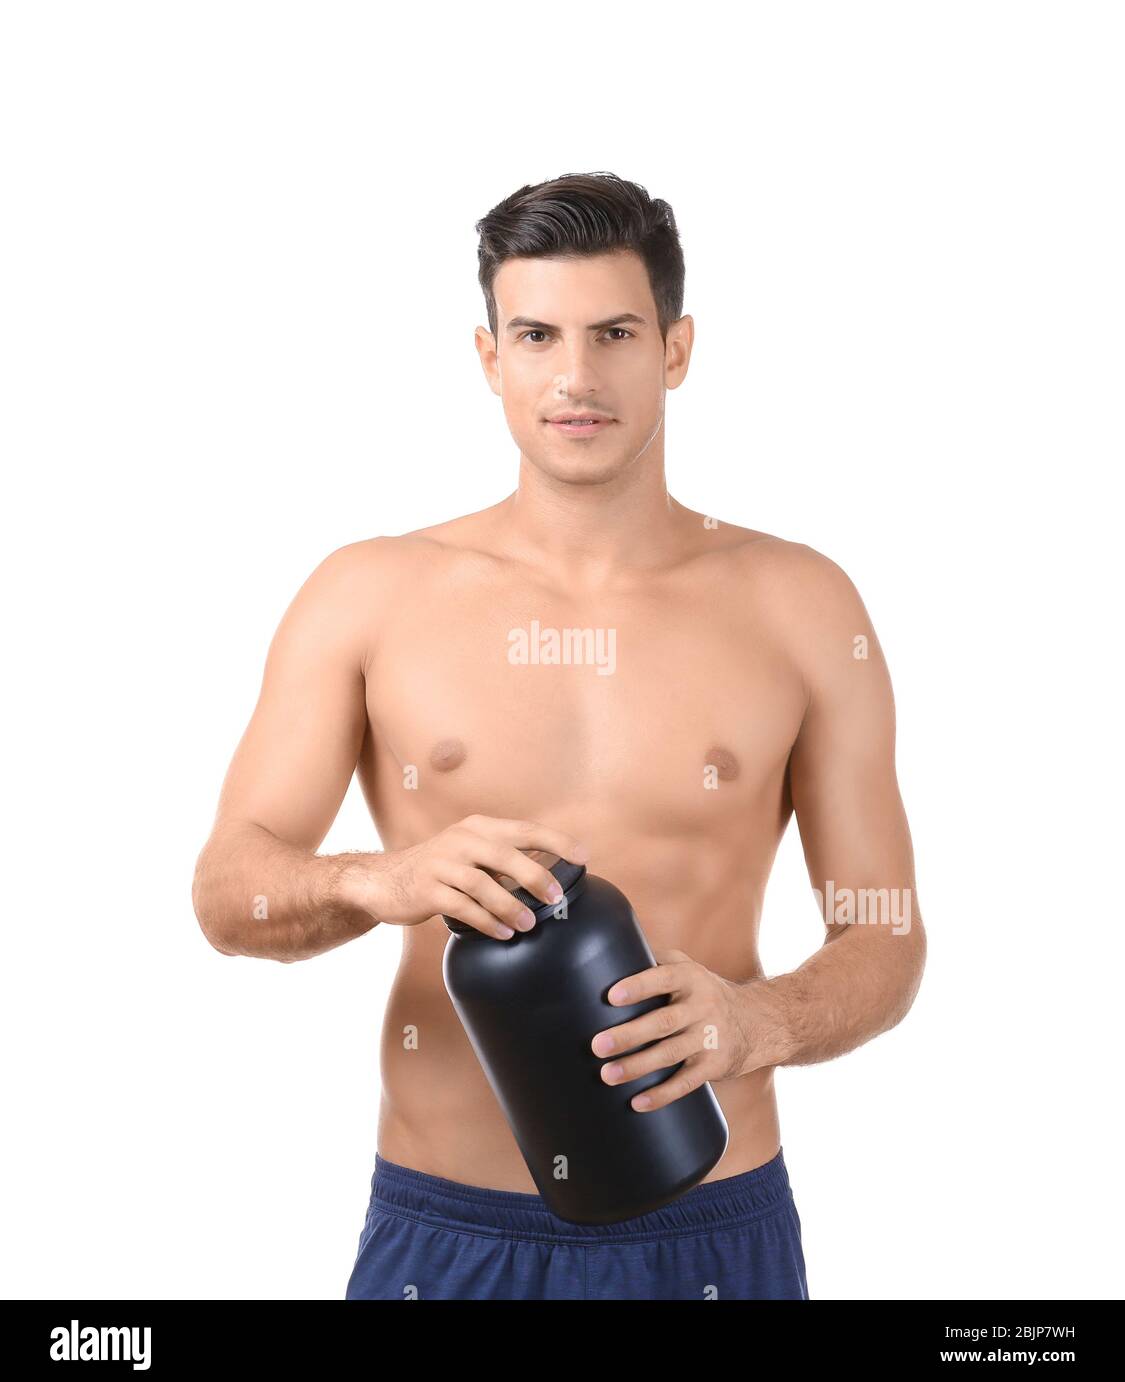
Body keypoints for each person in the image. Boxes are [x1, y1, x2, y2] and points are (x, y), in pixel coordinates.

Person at [191, 171, 927, 1300]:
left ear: (676, 349)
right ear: (490, 357)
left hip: (711, 1224)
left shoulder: (803, 604)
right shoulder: (369, 593)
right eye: (536, 334)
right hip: (448, 1231)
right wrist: (377, 877)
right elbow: (228, 891)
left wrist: (756, 1020)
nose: (576, 377)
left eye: (615, 333)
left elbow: (885, 937)